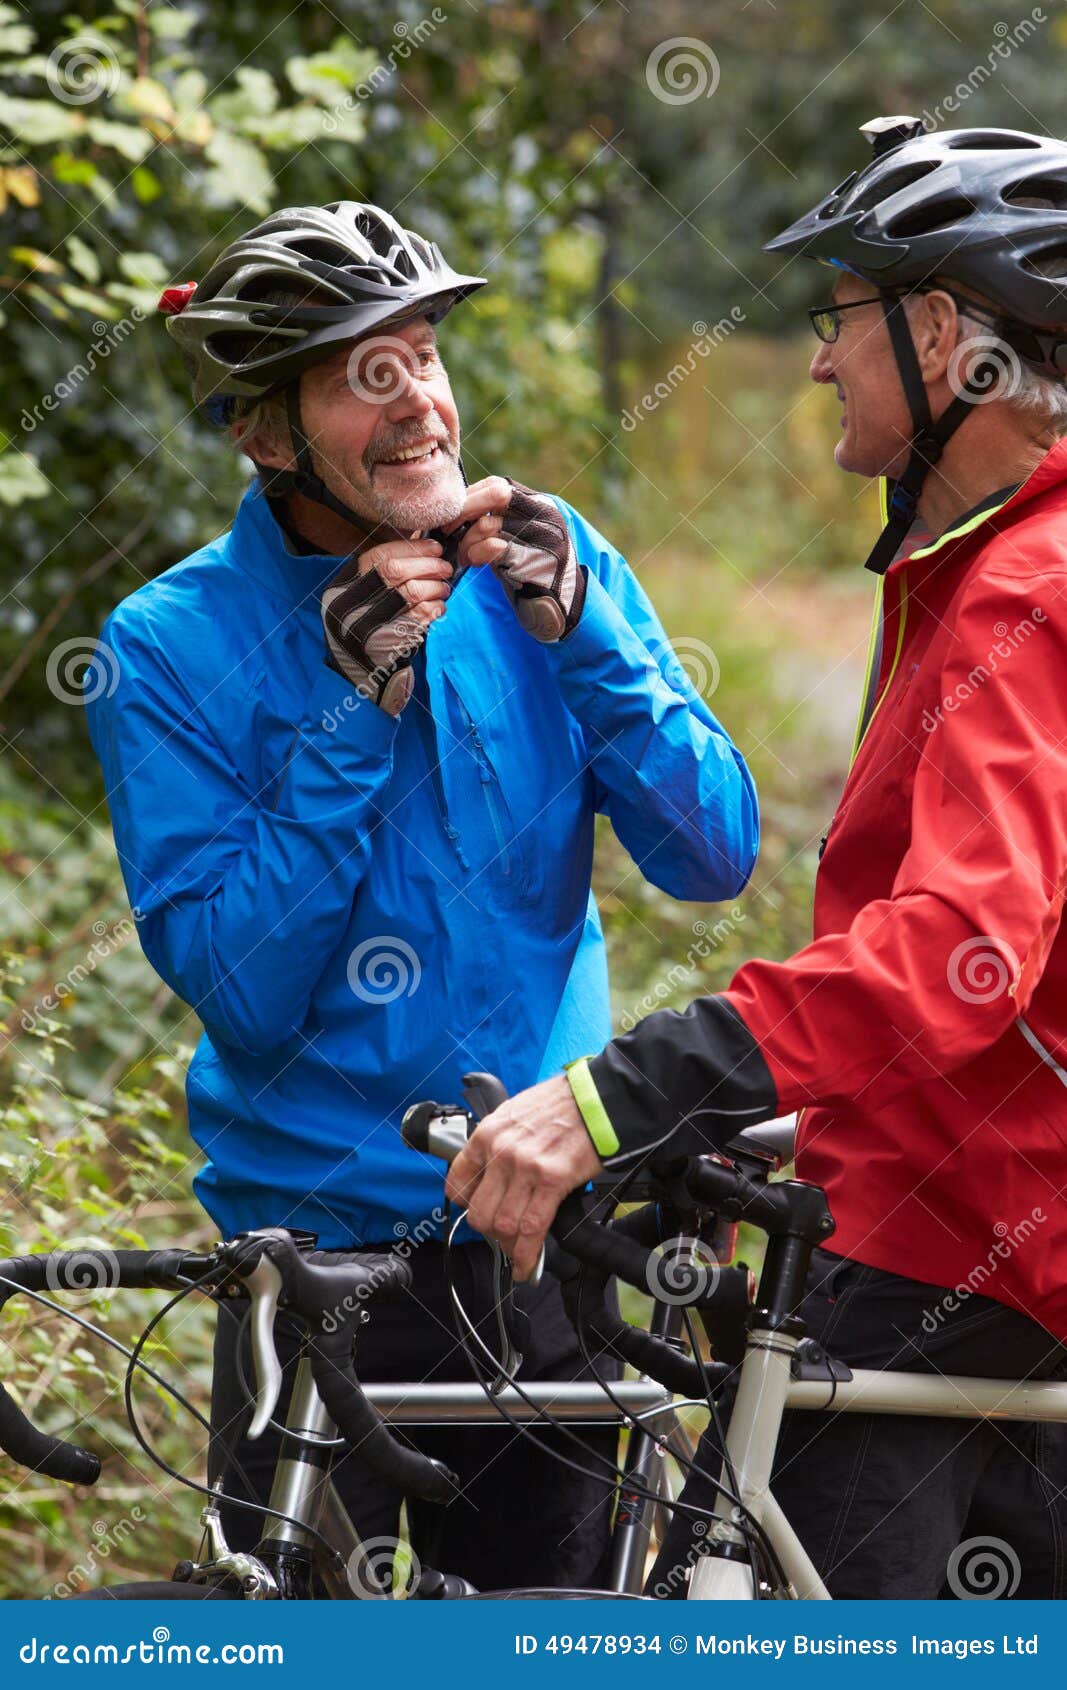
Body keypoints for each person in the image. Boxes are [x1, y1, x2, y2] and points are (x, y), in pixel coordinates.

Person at [85, 201, 758, 1593]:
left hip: (540, 1231)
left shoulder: (551, 575)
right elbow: (244, 985)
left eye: (422, 357)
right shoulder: (165, 645)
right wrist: (349, 716)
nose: (418, 408)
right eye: (360, 375)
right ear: (268, 434)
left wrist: (591, 645)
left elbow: (716, 856)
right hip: (313, 1269)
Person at [450, 119, 1067, 1599]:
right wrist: (750, 1127)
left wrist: (627, 1088)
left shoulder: (1027, 591)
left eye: (840, 317)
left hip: (954, 1256)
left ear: (943, 337)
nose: (815, 359)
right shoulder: (986, 564)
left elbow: (958, 954)